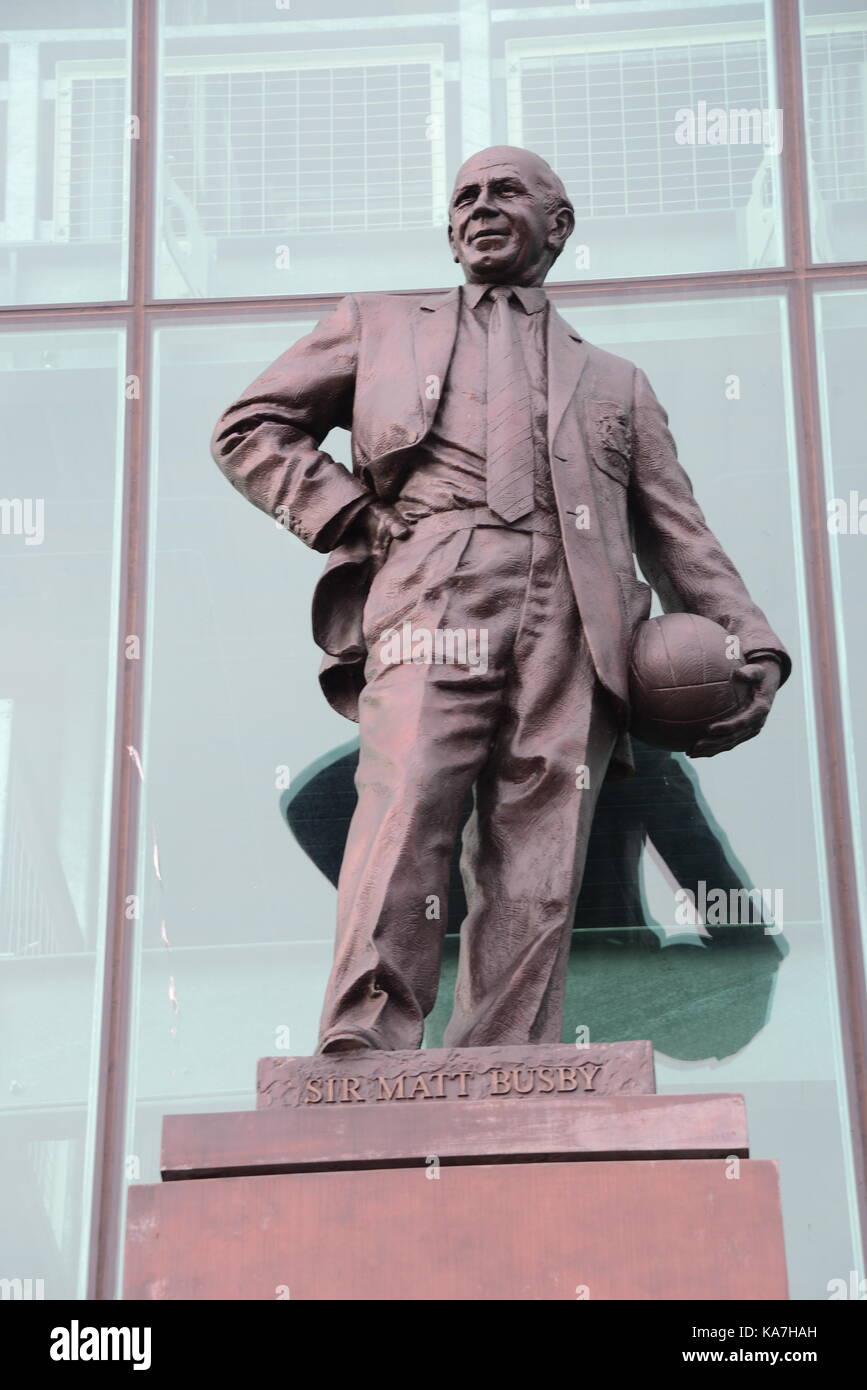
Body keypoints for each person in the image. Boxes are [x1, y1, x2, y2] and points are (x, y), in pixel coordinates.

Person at [211, 146, 789, 1054]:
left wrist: (749, 640)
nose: (480, 207)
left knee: (539, 844)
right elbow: (249, 426)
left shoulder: (616, 384)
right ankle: (363, 1040)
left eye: (505, 192)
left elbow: (679, 534)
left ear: (556, 228)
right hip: (435, 585)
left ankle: (505, 1056)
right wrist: (354, 520)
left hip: (574, 614)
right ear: (449, 232)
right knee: (405, 803)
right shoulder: (378, 324)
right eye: (464, 197)